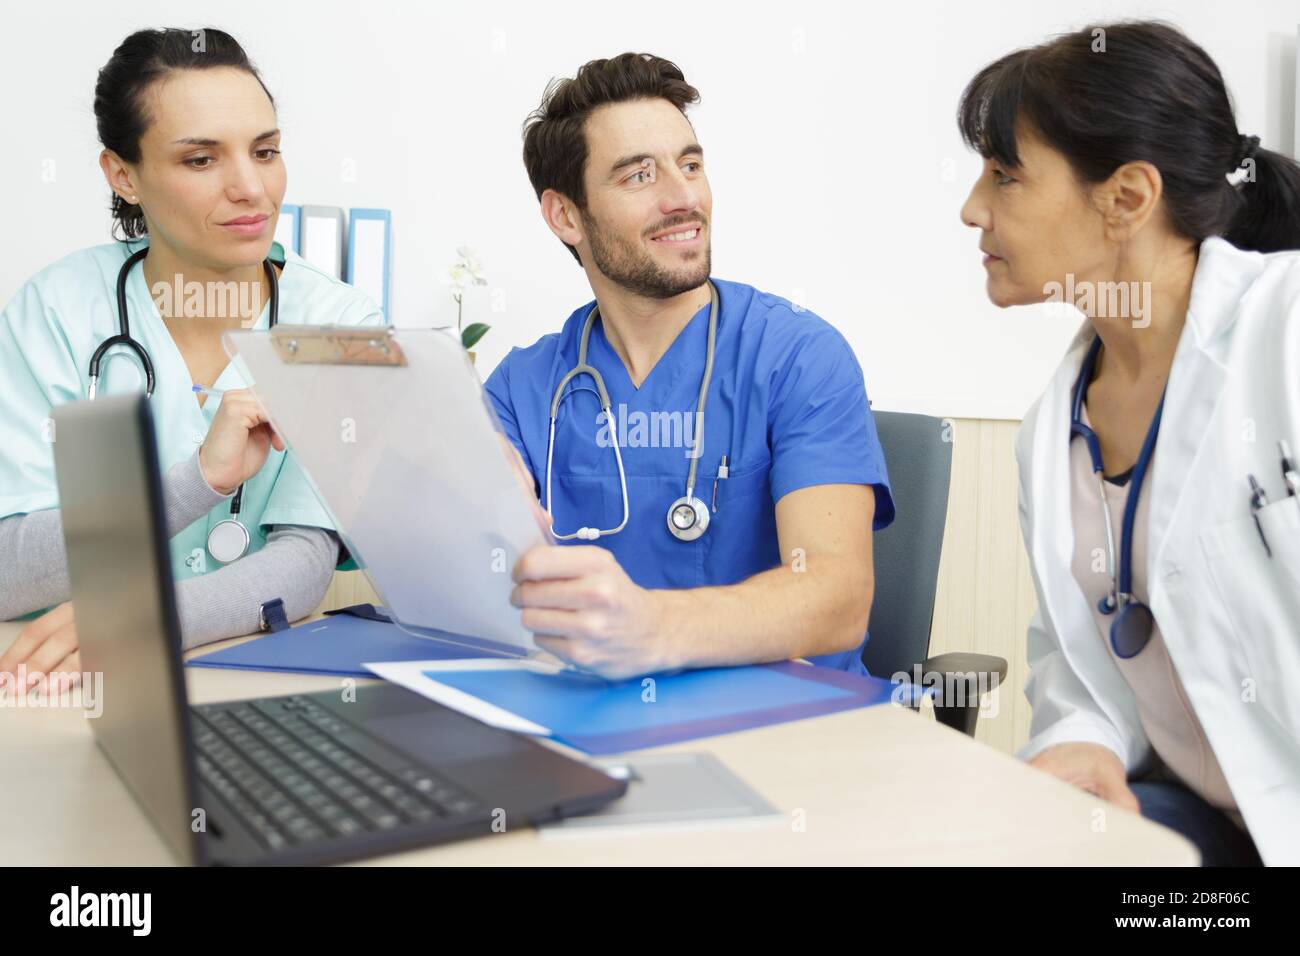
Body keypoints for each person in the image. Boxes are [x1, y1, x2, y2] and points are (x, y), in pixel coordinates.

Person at [958, 21, 1300, 865]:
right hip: (1212, 820)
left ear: (1126, 198)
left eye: (1005, 176)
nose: (973, 208)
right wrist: (1083, 747)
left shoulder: (1286, 331)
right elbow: (1082, 674)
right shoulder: (1054, 431)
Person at [487, 53, 893, 681]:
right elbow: (467, 584)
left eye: (691, 165)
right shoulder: (522, 388)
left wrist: (649, 628)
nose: (684, 199)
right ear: (566, 215)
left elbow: (837, 601)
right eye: (639, 175)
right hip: (591, 722)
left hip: (789, 730)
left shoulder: (798, 358)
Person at [0, 28, 382, 688]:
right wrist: (198, 481)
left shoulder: (341, 327)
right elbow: (8, 571)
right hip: (57, 682)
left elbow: (305, 559)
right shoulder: (56, 311)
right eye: (201, 160)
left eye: (265, 152)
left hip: (257, 680)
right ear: (123, 174)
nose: (250, 189)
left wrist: (140, 619)